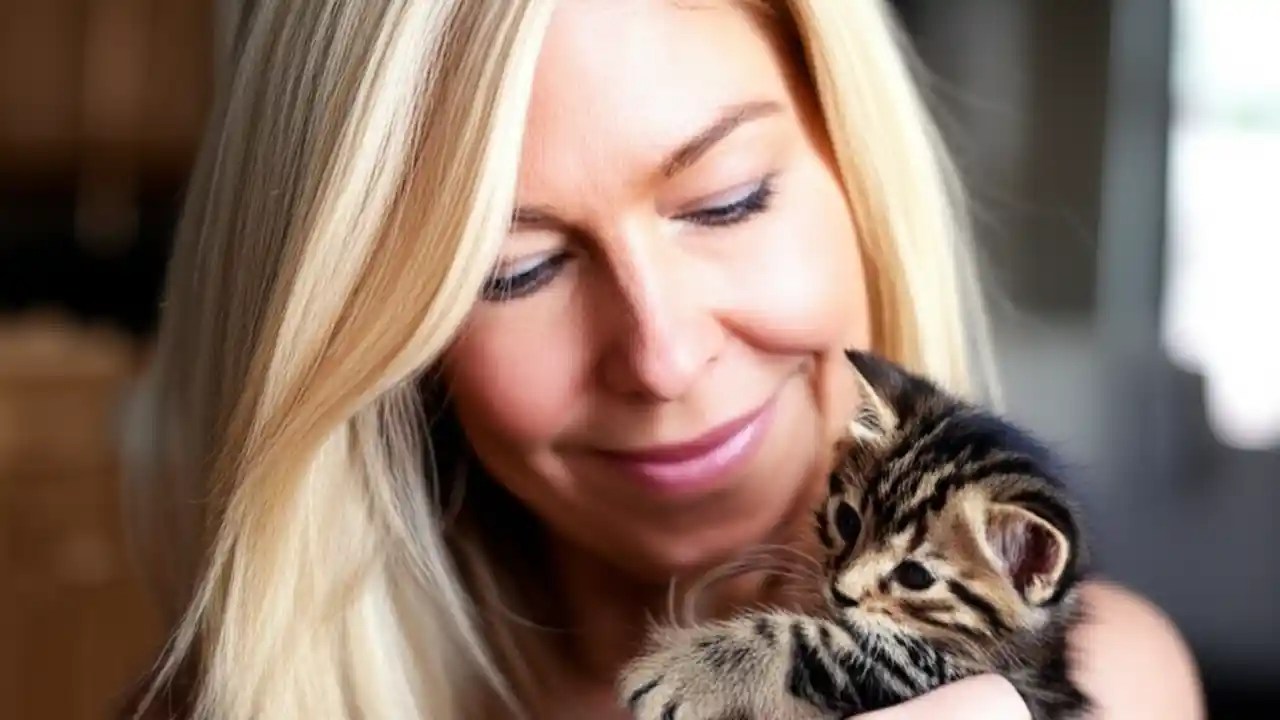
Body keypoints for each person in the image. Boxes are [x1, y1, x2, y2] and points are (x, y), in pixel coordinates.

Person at [121, 1, 1205, 718]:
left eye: (727, 202)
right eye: (516, 271)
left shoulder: (1091, 683)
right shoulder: (211, 702)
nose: (665, 356)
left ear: (850, 163)